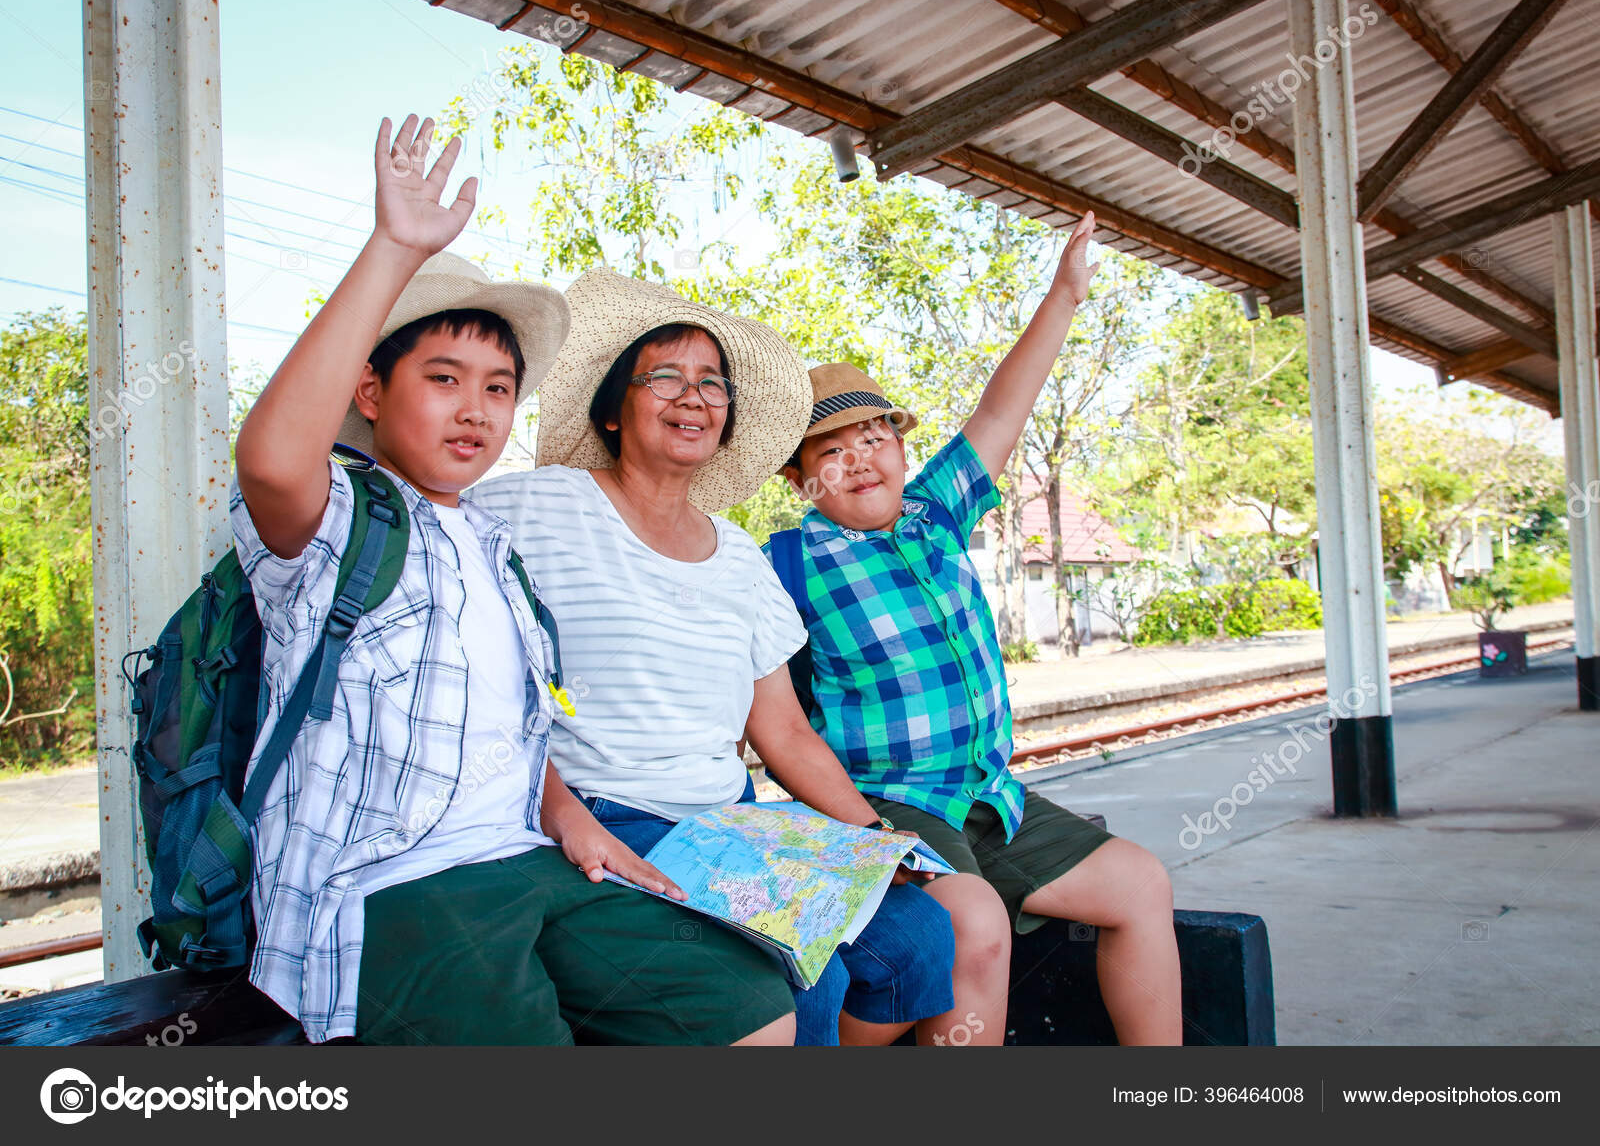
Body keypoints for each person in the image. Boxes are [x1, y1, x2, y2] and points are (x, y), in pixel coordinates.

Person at [230, 113, 794, 1046]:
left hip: (524, 859)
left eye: (498, 387)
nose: (478, 409)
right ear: (371, 396)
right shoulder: (343, 518)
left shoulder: (494, 546)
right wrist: (395, 248)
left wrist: (575, 822)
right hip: (389, 886)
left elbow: (513, 730)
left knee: (747, 1008)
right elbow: (274, 457)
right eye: (444, 378)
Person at [471, 268, 1006, 1046]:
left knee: (920, 937)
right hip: (604, 812)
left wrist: (874, 834)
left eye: (712, 384)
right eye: (665, 378)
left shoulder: (741, 558)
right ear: (615, 409)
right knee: (810, 988)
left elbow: (784, 733)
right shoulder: (535, 505)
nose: (693, 397)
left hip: (729, 823)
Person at [771, 211, 1184, 1045]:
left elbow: (1006, 403)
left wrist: (1064, 295)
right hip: (889, 803)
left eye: (875, 434)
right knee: (973, 923)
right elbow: (769, 711)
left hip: (988, 796)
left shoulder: (936, 514)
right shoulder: (787, 562)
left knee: (1141, 882)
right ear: (797, 479)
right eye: (831, 450)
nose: (861, 457)